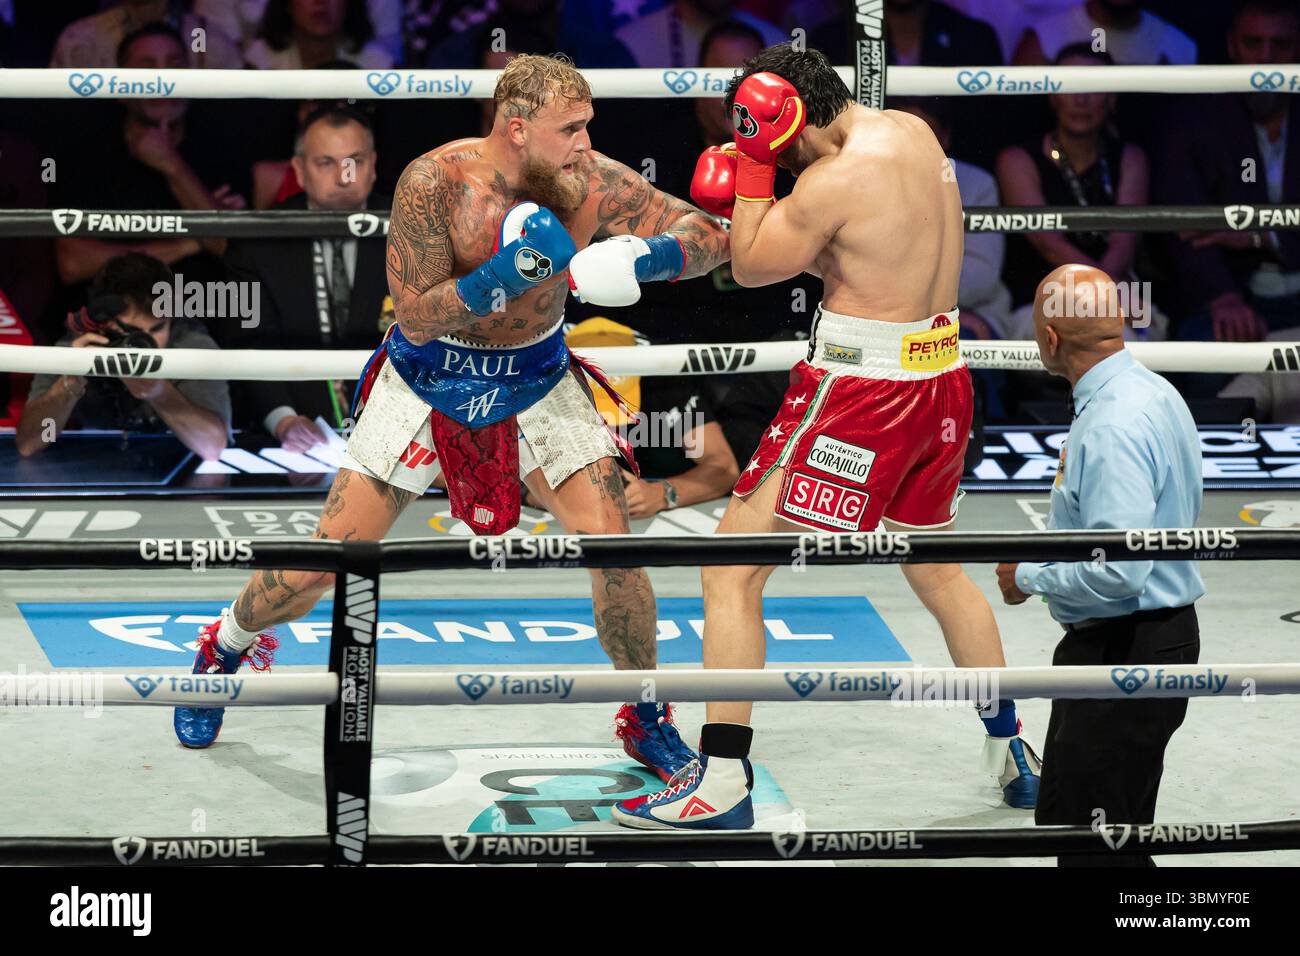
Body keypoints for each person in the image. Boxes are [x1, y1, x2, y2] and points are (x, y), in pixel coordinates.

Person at [172, 55, 731, 790]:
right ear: (517, 126)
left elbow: (709, 236)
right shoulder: (435, 181)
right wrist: (510, 270)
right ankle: (226, 643)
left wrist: (647, 258)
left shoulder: (593, 179)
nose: (586, 142)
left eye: (588, 124)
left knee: (616, 552)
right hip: (430, 371)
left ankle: (645, 714)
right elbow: (416, 312)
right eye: (571, 128)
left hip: (536, 372)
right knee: (322, 564)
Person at [612, 43, 1039, 830]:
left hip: (861, 392)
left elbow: (749, 265)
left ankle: (723, 780)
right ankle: (1013, 749)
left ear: (787, 114)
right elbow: (871, 248)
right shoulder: (913, 132)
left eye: (770, 132)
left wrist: (749, 169)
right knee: (939, 571)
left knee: (732, 571)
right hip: (942, 378)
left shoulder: (826, 181)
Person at [995, 264, 1204, 867]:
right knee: (1099, 827)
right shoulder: (1152, 391)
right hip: (1144, 640)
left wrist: (1029, 577)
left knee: (1096, 844)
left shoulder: (1113, 423)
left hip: (1127, 647)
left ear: (1051, 339)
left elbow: (1120, 572)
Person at [225, 107, 390, 450]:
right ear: (299, 171)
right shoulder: (258, 240)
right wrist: (283, 419)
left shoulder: (411, 230)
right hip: (299, 440)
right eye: (326, 163)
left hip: (397, 429)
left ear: (373, 166)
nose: (344, 176)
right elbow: (248, 340)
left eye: (355, 161)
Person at [996, 44, 1156, 340]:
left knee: (1133, 341)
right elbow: (1048, 242)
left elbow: (1124, 243)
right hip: (1041, 299)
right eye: (1070, 85)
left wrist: (1106, 298)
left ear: (1112, 98)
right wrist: (1103, 293)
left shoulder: (1130, 158)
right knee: (1101, 345)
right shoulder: (1018, 160)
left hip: (1116, 296)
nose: (1081, 99)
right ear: (1052, 93)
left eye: (1093, 87)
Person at [16, 253, 231, 460]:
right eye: (132, 331)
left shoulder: (191, 345)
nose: (146, 344)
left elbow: (212, 449)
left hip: (173, 472)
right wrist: (71, 382)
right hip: (96, 468)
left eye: (157, 328)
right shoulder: (79, 347)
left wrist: (160, 393)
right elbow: (30, 444)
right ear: (103, 322)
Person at [565, 317, 740, 518]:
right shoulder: (545, 385)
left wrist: (660, 494)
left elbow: (723, 467)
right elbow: (523, 478)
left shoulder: (665, 382)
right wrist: (561, 496)